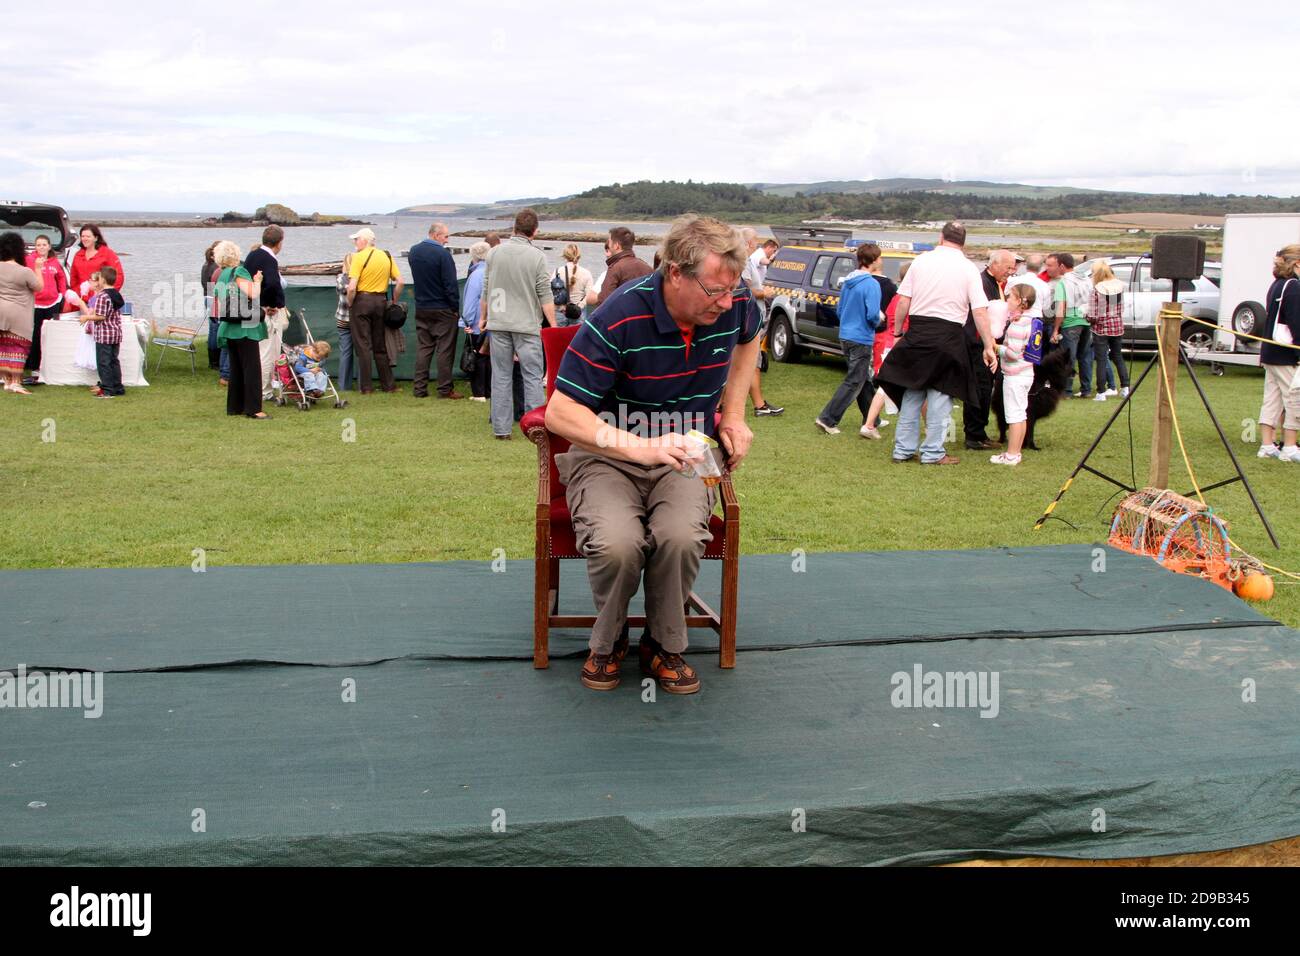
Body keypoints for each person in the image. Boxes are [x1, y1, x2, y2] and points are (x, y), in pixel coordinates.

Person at [545, 215, 760, 695]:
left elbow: (749, 339)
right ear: (675, 273)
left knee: (681, 536)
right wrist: (644, 448)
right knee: (617, 544)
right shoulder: (618, 315)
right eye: (715, 291)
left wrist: (734, 414)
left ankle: (663, 645)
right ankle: (611, 639)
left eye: (732, 290)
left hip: (689, 453)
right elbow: (560, 412)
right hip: (606, 456)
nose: (727, 303)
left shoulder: (736, 300)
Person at [875, 222, 996, 465]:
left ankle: (903, 450)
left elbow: (903, 301)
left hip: (918, 332)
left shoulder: (921, 261)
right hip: (948, 336)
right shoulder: (968, 268)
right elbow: (980, 311)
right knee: (941, 394)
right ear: (963, 242)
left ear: (941, 237)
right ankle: (932, 452)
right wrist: (988, 345)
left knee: (912, 391)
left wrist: (898, 333)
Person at [480, 208, 554, 439]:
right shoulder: (537, 257)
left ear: (514, 227)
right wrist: (553, 325)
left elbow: (486, 289)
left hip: (499, 322)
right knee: (532, 377)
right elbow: (545, 294)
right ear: (535, 231)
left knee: (501, 376)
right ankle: (535, 429)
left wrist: (483, 317)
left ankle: (501, 430)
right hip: (527, 325)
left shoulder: (494, 254)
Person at [815, 243, 882, 434]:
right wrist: (879, 320)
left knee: (862, 378)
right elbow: (872, 315)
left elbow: (840, 310)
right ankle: (827, 418)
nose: (881, 260)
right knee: (854, 380)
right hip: (861, 336)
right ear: (873, 260)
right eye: (879, 257)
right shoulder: (872, 284)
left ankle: (872, 419)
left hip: (845, 334)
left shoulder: (848, 282)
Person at [963, 249, 1015, 450]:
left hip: (991, 345)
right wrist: (988, 344)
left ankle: (979, 432)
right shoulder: (983, 283)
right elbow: (980, 316)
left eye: (1013, 268)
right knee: (980, 389)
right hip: (979, 346)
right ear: (994, 264)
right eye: (1008, 267)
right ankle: (974, 435)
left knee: (986, 390)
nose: (1010, 272)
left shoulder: (996, 284)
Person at [212, 240, 268, 419]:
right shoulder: (239, 271)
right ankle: (254, 409)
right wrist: (257, 281)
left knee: (236, 369)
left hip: (229, 326)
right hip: (245, 326)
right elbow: (253, 293)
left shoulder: (221, 274)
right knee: (252, 369)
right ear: (235, 255)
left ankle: (235, 406)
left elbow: (220, 298)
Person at [409, 222, 464, 399]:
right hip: (442, 308)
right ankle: (444, 389)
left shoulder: (414, 251)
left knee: (424, 348)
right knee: (445, 349)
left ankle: (419, 388)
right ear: (435, 235)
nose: (447, 240)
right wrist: (454, 307)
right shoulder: (443, 254)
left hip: (422, 306)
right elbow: (450, 285)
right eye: (445, 236)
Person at [345, 227, 403, 394]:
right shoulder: (386, 256)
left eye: (356, 239)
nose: (355, 242)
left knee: (363, 345)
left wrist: (350, 302)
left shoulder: (358, 257)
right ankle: (388, 385)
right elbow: (400, 282)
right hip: (380, 302)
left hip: (362, 301)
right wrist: (394, 301)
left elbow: (352, 287)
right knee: (380, 344)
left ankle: (366, 387)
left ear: (364, 240)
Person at [1257, 243, 1300, 462]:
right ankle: (1289, 447)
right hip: (1286, 353)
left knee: (1272, 399)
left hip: (1270, 351)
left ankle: (1267, 445)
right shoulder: (1294, 286)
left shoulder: (1277, 284)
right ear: (1297, 263)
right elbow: (1296, 322)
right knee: (1294, 398)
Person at [989, 285, 1037, 466]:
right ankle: (1015, 452)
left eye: (1010, 297)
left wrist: (996, 347)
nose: (1007, 299)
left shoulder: (1017, 325)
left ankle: (1011, 454)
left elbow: (1013, 353)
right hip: (1025, 372)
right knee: (1020, 413)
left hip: (1015, 374)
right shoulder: (1029, 321)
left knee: (1014, 415)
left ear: (1019, 301)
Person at [863, 260, 911, 438]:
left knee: (892, 387)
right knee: (890, 388)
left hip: (889, 343)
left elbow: (887, 317)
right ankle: (869, 425)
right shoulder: (907, 299)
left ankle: (869, 424)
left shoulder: (897, 297)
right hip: (899, 346)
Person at [739, 229, 784, 417]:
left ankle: (722, 404)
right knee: (752, 363)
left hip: (751, 317)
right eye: (755, 240)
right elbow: (745, 289)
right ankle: (759, 406)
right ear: (748, 242)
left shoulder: (748, 260)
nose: (757, 243)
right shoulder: (744, 262)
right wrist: (763, 293)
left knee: (744, 363)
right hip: (750, 318)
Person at [245, 226, 287, 401]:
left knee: (255, 350)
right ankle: (264, 391)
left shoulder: (252, 255)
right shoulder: (270, 259)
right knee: (268, 352)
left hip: (250, 306)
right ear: (279, 242)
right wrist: (271, 304)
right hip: (265, 310)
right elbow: (272, 284)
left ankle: (255, 387)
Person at [0, 231, 43, 394]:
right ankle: (16, 383)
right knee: (18, 348)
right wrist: (38, 268)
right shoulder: (24, 271)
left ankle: (6, 381)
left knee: (3, 346)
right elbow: (39, 287)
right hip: (19, 313)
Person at [23, 235, 69, 385]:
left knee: (50, 336)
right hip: (36, 304)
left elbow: (61, 278)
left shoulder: (55, 261)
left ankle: (50, 367)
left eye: (44, 245)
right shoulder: (29, 260)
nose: (41, 247)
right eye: (38, 245)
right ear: (35, 247)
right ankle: (35, 369)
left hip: (53, 303)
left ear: (49, 246)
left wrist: (62, 295)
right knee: (36, 336)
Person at [1045, 252, 1092, 398]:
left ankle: (1067, 390)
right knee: (1084, 356)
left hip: (1071, 322)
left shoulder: (1063, 282)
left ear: (1062, 266)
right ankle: (1086, 389)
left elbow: (1061, 307)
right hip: (1086, 320)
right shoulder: (1086, 279)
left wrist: (1056, 329)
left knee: (1068, 357)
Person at [76, 268, 126, 398]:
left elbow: (101, 316)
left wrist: (86, 317)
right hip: (115, 332)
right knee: (114, 361)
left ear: (102, 280)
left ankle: (107, 389)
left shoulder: (103, 296)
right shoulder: (116, 294)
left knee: (104, 362)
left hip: (104, 334)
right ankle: (117, 386)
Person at [1087, 260, 1130, 401]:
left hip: (1101, 329)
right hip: (1117, 326)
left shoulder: (1097, 290)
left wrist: (1086, 317)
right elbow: (1121, 308)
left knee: (1101, 359)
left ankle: (1101, 392)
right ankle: (1125, 387)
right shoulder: (1119, 287)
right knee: (1118, 356)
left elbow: (1093, 315)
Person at [585, 226, 652, 311]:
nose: (608, 245)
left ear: (616, 246)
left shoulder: (615, 268)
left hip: (623, 316)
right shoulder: (647, 267)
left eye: (609, 242)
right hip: (644, 316)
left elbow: (605, 301)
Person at [65, 225, 124, 311]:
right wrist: (77, 294)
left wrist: (108, 295)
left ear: (96, 238)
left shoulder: (107, 253)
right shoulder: (78, 255)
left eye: (88, 236)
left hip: (100, 298)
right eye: (82, 236)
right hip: (81, 298)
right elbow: (74, 278)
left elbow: (118, 276)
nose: (85, 239)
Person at [459, 240, 491, 401]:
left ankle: (479, 392)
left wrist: (466, 322)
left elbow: (471, 301)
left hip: (478, 323)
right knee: (490, 358)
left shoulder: (476, 275)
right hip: (494, 322)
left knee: (478, 357)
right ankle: (489, 391)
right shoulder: (494, 272)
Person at [201, 241, 229, 379]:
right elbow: (216, 286)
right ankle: (216, 361)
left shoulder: (206, 265)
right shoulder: (217, 268)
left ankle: (213, 361)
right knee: (217, 330)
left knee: (212, 330)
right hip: (214, 297)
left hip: (207, 296)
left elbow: (205, 283)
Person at [553, 244, 593, 326]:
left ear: (565, 256)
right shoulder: (586, 273)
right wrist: (579, 306)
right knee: (576, 334)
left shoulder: (557, 272)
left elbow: (550, 292)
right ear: (579, 256)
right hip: (578, 313)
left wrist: (561, 307)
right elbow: (589, 295)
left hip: (560, 312)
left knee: (559, 334)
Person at [335, 253, 354, 391]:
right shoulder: (359, 278)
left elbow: (341, 291)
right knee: (362, 352)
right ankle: (363, 383)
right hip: (357, 319)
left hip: (342, 318)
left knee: (345, 352)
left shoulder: (340, 278)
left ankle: (343, 385)